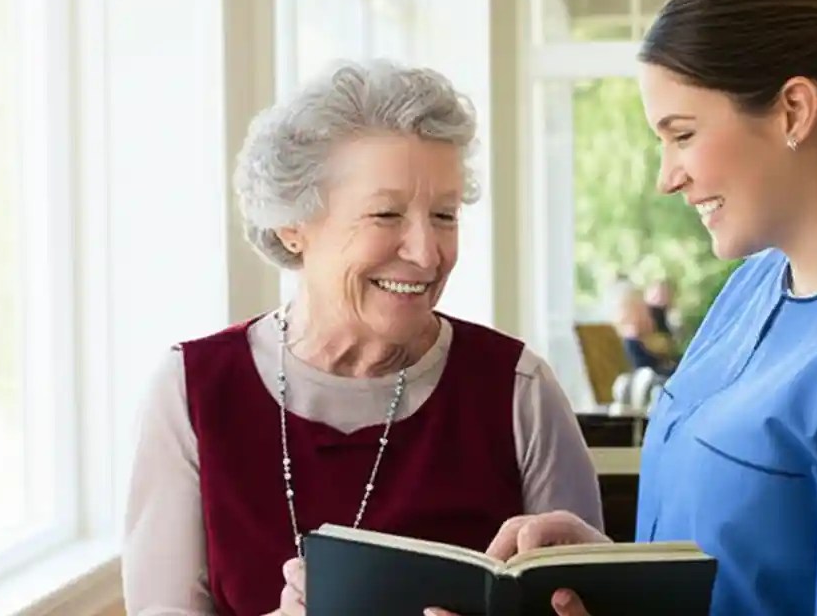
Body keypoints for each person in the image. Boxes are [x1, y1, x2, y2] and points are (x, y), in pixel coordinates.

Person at [432, 0, 817, 616]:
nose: (666, 177)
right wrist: (612, 572)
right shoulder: (754, 285)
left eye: (682, 134)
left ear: (793, 110)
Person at [120, 60, 604, 615]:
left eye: (444, 215)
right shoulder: (192, 391)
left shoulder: (519, 389)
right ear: (292, 225)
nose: (427, 253)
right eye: (385, 214)